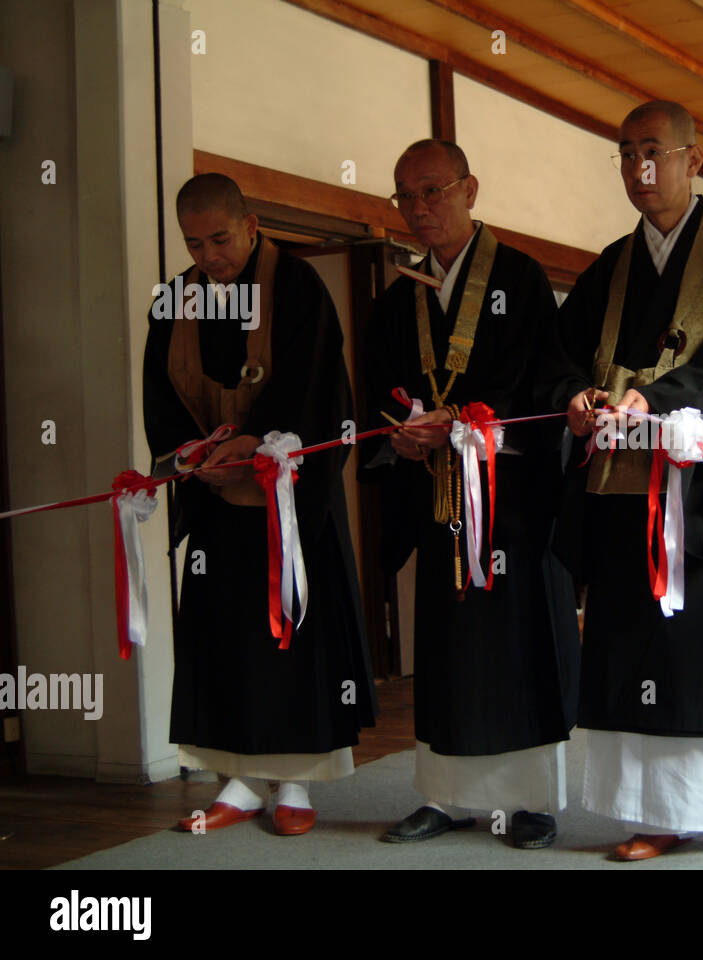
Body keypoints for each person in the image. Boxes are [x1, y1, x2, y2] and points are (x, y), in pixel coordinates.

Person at [538, 100, 703, 866]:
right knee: (633, 646)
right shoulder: (610, 265)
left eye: (652, 151)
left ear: (693, 159)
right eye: (624, 153)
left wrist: (666, 398)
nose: (637, 169)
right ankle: (655, 809)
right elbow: (560, 354)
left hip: (701, 492)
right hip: (620, 486)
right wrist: (575, 399)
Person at [361, 140, 580, 850]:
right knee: (448, 641)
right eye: (405, 195)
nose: (419, 209)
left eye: (433, 191)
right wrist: (396, 437)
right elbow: (378, 398)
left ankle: (532, 800)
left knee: (519, 641)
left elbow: (544, 388)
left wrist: (470, 426)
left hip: (512, 497)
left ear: (469, 190)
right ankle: (444, 794)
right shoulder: (399, 298)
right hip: (439, 499)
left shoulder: (520, 277)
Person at [143, 173, 376, 836]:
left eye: (220, 237)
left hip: (286, 497)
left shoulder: (298, 286)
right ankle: (240, 781)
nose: (210, 254)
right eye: (195, 242)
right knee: (225, 640)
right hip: (217, 500)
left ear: (249, 225)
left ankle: (298, 784)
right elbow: (160, 394)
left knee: (291, 637)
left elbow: (319, 389)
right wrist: (186, 455)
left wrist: (260, 442)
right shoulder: (175, 299)